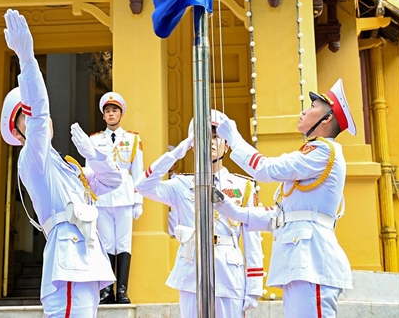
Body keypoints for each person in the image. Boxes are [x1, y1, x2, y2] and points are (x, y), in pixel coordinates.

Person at [0, 8, 122, 318]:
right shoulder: (32, 159)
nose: (37, 119)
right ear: (17, 130)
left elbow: (112, 182)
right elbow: (39, 114)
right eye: (24, 117)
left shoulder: (66, 166)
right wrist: (27, 60)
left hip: (86, 256)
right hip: (68, 258)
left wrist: (95, 156)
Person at [213, 80, 356, 318]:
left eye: (312, 107)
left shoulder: (323, 151)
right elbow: (280, 216)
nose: (304, 111)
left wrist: (235, 140)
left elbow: (265, 169)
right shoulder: (314, 154)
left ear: (327, 118)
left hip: (313, 260)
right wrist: (233, 212)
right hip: (300, 262)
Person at [135, 110, 264, 318]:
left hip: (229, 273)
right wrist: (175, 154)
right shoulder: (181, 185)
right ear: (193, 145)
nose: (210, 142)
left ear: (227, 144)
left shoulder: (244, 186)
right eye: (203, 137)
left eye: (215, 136)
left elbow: (253, 240)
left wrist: (255, 286)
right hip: (192, 270)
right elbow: (142, 186)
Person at [90, 92, 144, 304]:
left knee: (123, 245)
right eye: (107, 111)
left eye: (115, 111)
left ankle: (121, 290)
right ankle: (106, 291)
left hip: (124, 198)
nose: (111, 114)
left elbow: (138, 173)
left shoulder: (132, 139)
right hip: (102, 199)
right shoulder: (94, 140)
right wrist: (90, 200)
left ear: (121, 114)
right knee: (105, 244)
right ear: (103, 116)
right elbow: (90, 171)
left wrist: (138, 200)